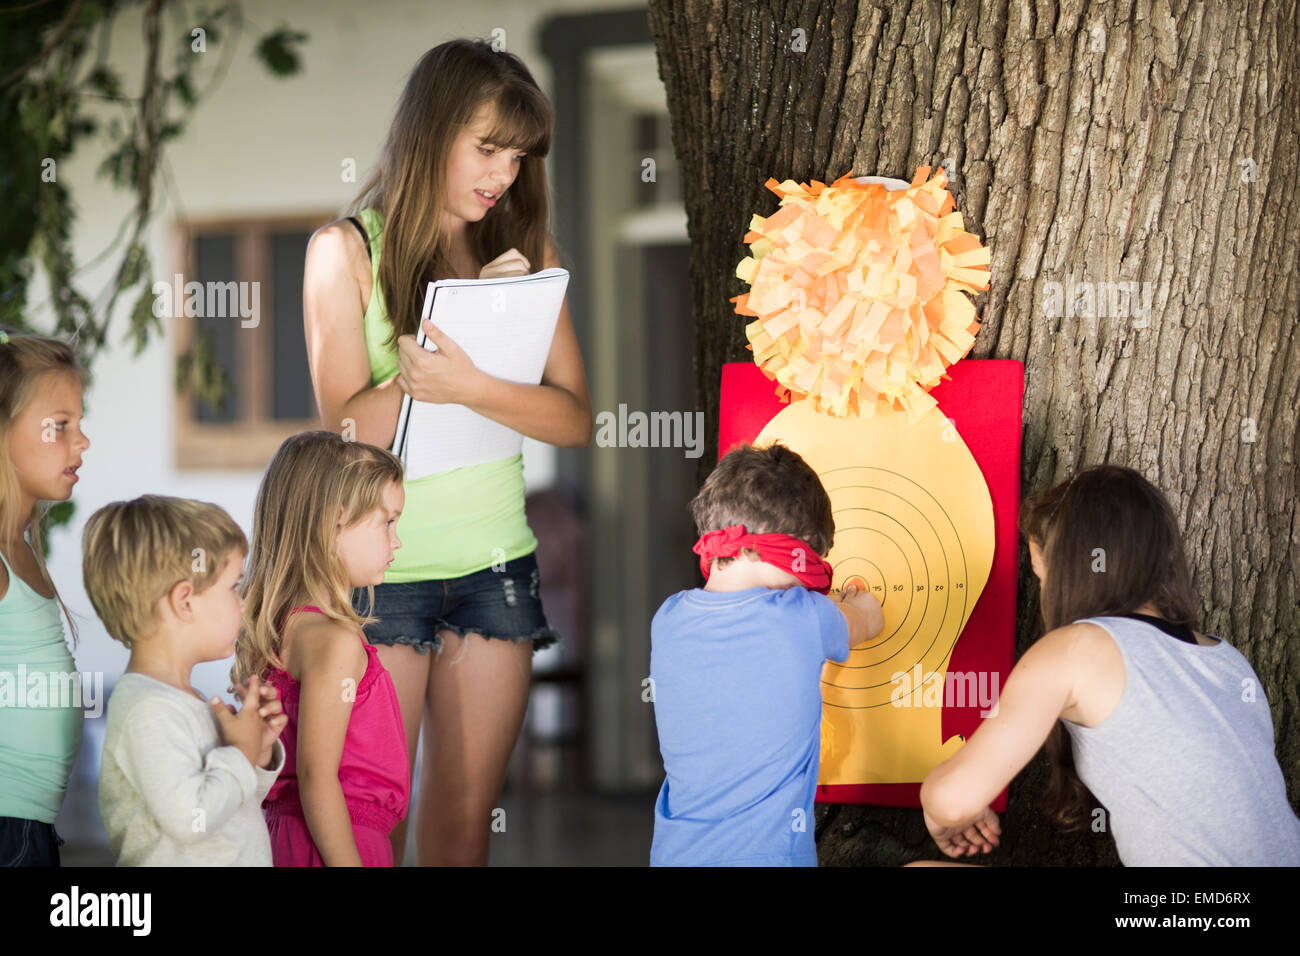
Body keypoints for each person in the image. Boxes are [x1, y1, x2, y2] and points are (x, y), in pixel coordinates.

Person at [302, 38, 591, 865]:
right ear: (432, 131)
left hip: (496, 565)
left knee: (465, 827)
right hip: (380, 572)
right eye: (487, 147)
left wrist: (471, 381)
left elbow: (575, 420)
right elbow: (344, 430)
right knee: (373, 819)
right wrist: (447, 350)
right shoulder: (344, 251)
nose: (503, 173)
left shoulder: (530, 255)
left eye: (519, 155)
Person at [918, 464, 1300, 865]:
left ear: (1067, 572)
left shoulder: (1074, 648)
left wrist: (937, 806)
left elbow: (953, 801)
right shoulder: (1228, 661)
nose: (1045, 591)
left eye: (1041, 575)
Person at [650, 442, 885, 866]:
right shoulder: (803, 617)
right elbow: (869, 619)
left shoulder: (667, 619)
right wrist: (850, 602)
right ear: (794, 550)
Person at [234, 431, 409, 867]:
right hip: (335, 843)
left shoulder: (282, 627)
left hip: (284, 837)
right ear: (334, 523)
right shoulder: (335, 641)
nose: (397, 540)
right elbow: (316, 776)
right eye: (387, 522)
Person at [88, 495, 289, 866]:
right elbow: (191, 820)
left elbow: (228, 808)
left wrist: (256, 753)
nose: (243, 603)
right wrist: (240, 754)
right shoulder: (147, 710)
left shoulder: (185, 700)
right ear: (185, 601)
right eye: (233, 587)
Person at [0, 331, 90, 866]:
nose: (82, 443)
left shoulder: (22, 549)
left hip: (31, 832)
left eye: (79, 424)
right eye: (60, 426)